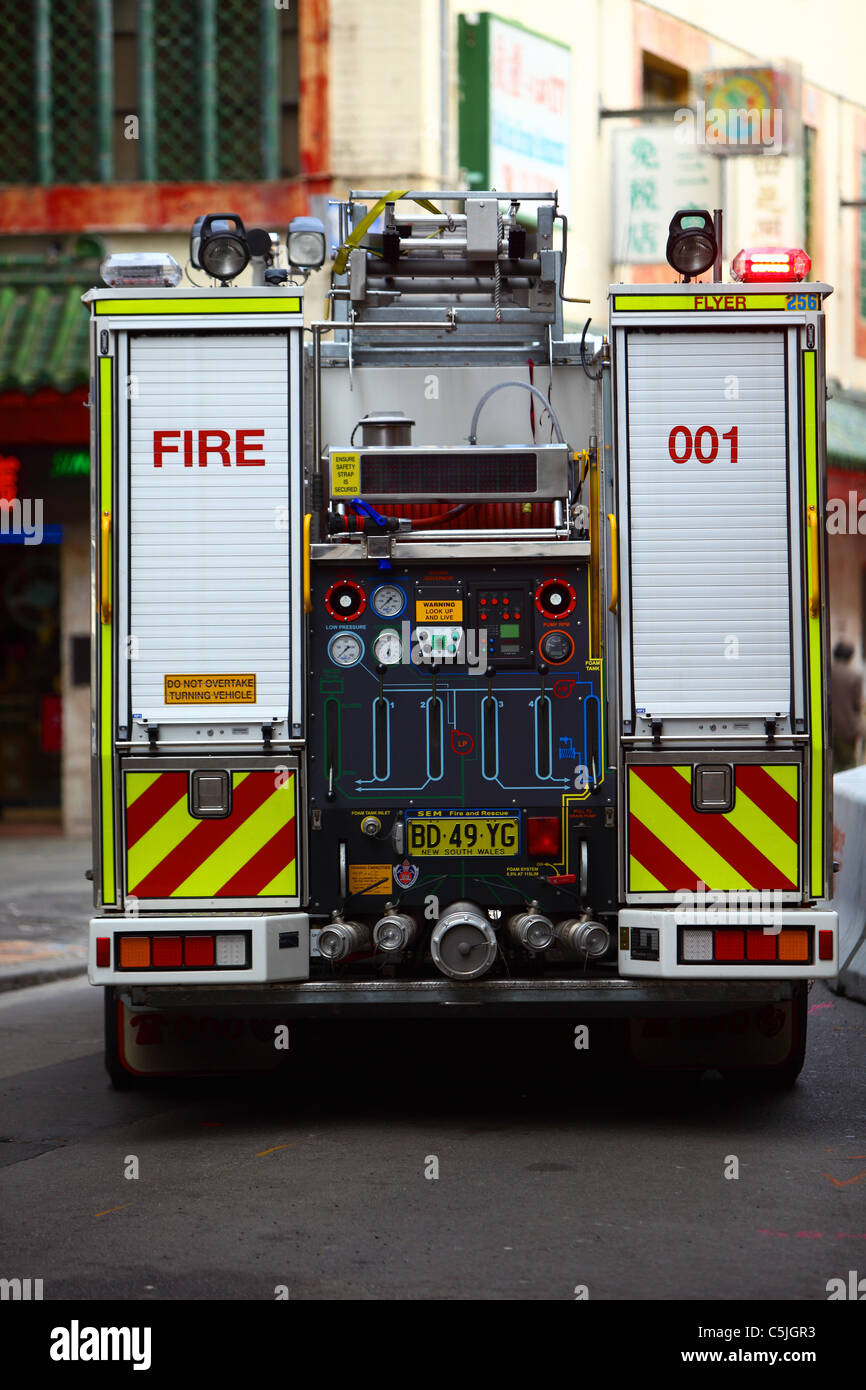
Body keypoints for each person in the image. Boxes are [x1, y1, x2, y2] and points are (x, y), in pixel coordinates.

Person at [831, 640, 864, 772]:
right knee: (848, 766)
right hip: (848, 728)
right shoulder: (855, 677)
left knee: (831, 765)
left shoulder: (826, 672)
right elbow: (857, 704)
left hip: (828, 727)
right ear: (850, 656)